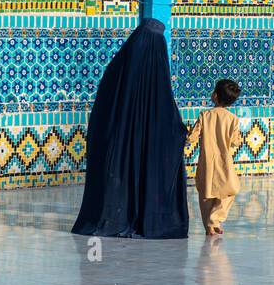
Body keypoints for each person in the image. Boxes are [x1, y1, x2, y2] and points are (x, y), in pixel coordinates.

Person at [72, 18, 188, 239]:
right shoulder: (158, 78)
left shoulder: (117, 72)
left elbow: (102, 114)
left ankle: (116, 216)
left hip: (119, 144)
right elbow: (168, 121)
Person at [188, 79, 244, 236]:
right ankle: (214, 221)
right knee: (230, 190)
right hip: (224, 163)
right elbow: (235, 142)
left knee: (206, 196)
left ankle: (211, 223)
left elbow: (192, 137)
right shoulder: (233, 119)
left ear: (216, 96)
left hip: (206, 162)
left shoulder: (205, 116)